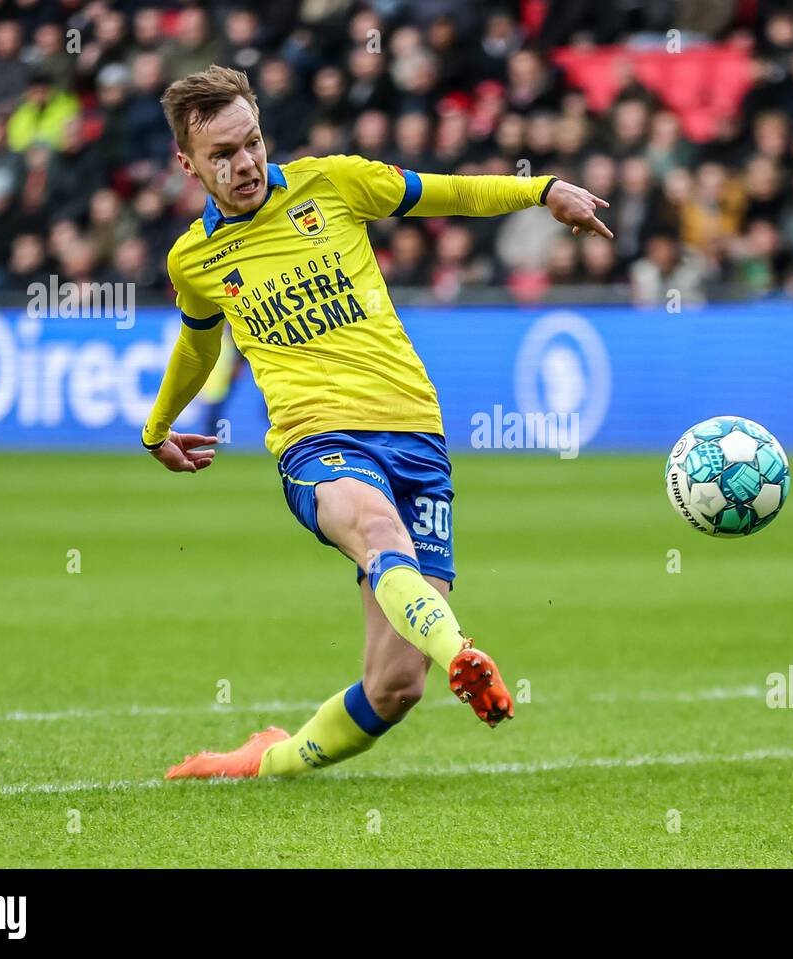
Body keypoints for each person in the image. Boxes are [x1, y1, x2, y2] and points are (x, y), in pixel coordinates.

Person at [144, 66, 612, 780]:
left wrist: (543, 190)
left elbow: (447, 191)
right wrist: (158, 428)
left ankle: (262, 762)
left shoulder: (332, 183)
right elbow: (198, 343)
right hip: (317, 440)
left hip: (417, 434)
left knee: (395, 687)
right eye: (223, 155)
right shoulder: (196, 258)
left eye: (253, 142)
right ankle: (463, 655)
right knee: (377, 533)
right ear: (188, 162)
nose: (244, 164)